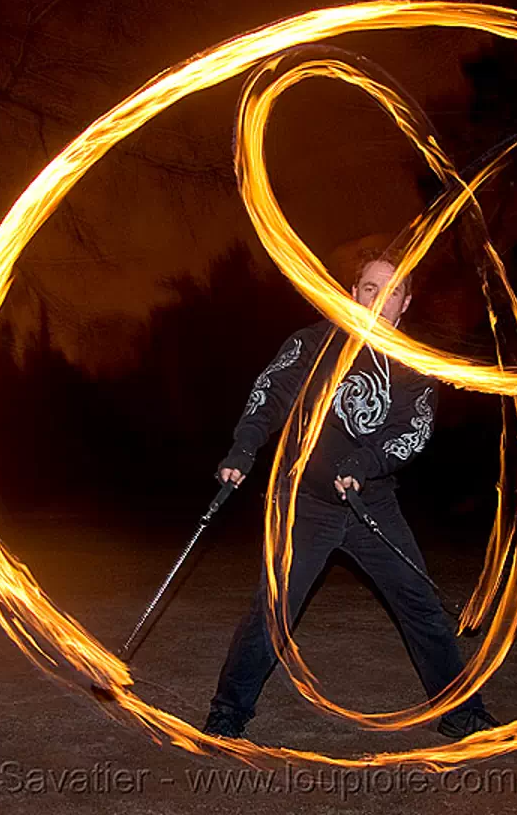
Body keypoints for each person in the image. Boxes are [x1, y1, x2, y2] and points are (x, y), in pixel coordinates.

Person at [202, 249, 499, 740]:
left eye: (393, 292)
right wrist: (244, 447)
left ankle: (460, 711)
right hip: (304, 505)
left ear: (405, 306)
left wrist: (366, 463)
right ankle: (229, 708)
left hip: (372, 507)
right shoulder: (311, 344)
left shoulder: (414, 366)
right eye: (369, 288)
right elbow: (270, 394)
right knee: (273, 607)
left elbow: (413, 432)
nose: (379, 300)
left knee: (419, 602)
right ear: (352, 293)